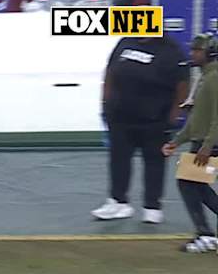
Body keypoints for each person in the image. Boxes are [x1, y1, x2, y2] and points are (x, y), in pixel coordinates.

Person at [92, 34, 190, 224]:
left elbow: (182, 84)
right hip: (120, 117)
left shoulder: (171, 50)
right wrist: (105, 104)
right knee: (118, 160)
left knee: (154, 163)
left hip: (154, 120)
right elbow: (110, 72)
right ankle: (118, 202)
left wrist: (175, 115)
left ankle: (152, 207)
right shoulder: (125, 42)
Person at [163, 35, 218, 253]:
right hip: (203, 142)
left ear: (210, 53)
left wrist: (207, 146)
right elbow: (197, 118)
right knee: (196, 186)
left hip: (209, 145)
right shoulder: (205, 77)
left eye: (197, 50)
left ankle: (204, 235)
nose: (192, 53)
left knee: (187, 183)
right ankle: (205, 234)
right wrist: (177, 142)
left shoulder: (214, 78)